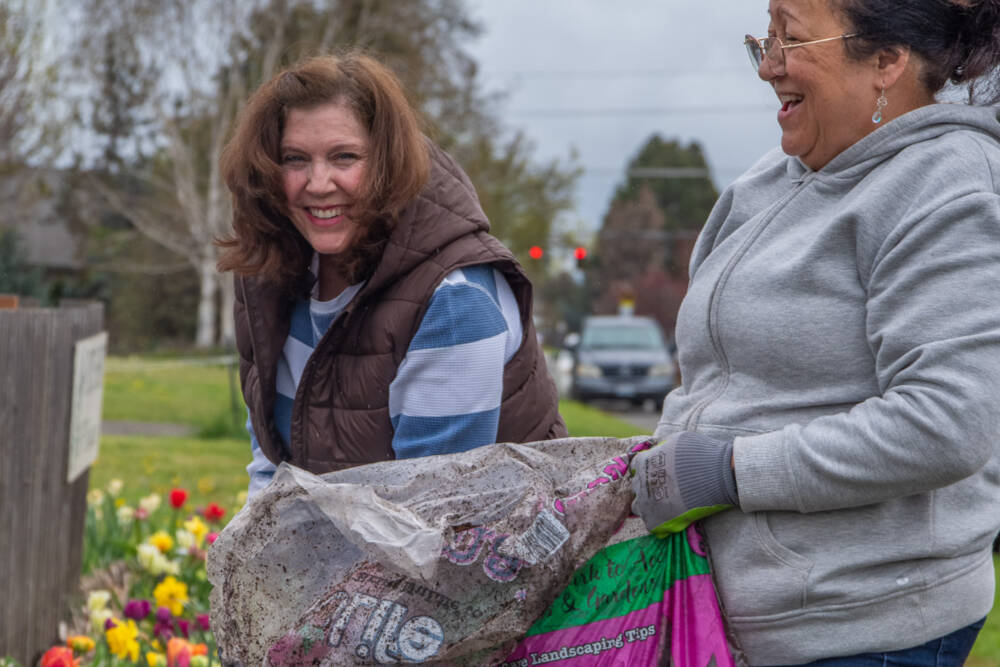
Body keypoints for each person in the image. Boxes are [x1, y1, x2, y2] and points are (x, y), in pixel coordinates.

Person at [629, 0, 1000, 664]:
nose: (769, 67)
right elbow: (723, 383)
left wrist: (731, 470)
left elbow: (948, 421)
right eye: (764, 39)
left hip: (863, 630)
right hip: (736, 618)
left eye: (791, 39)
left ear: (887, 60)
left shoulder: (948, 184)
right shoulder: (765, 182)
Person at [216, 53, 566, 497]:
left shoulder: (455, 301)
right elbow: (270, 470)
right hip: (339, 554)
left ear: (388, 164)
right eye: (295, 159)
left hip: (473, 556)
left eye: (345, 157)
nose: (318, 182)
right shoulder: (272, 273)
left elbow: (429, 520)